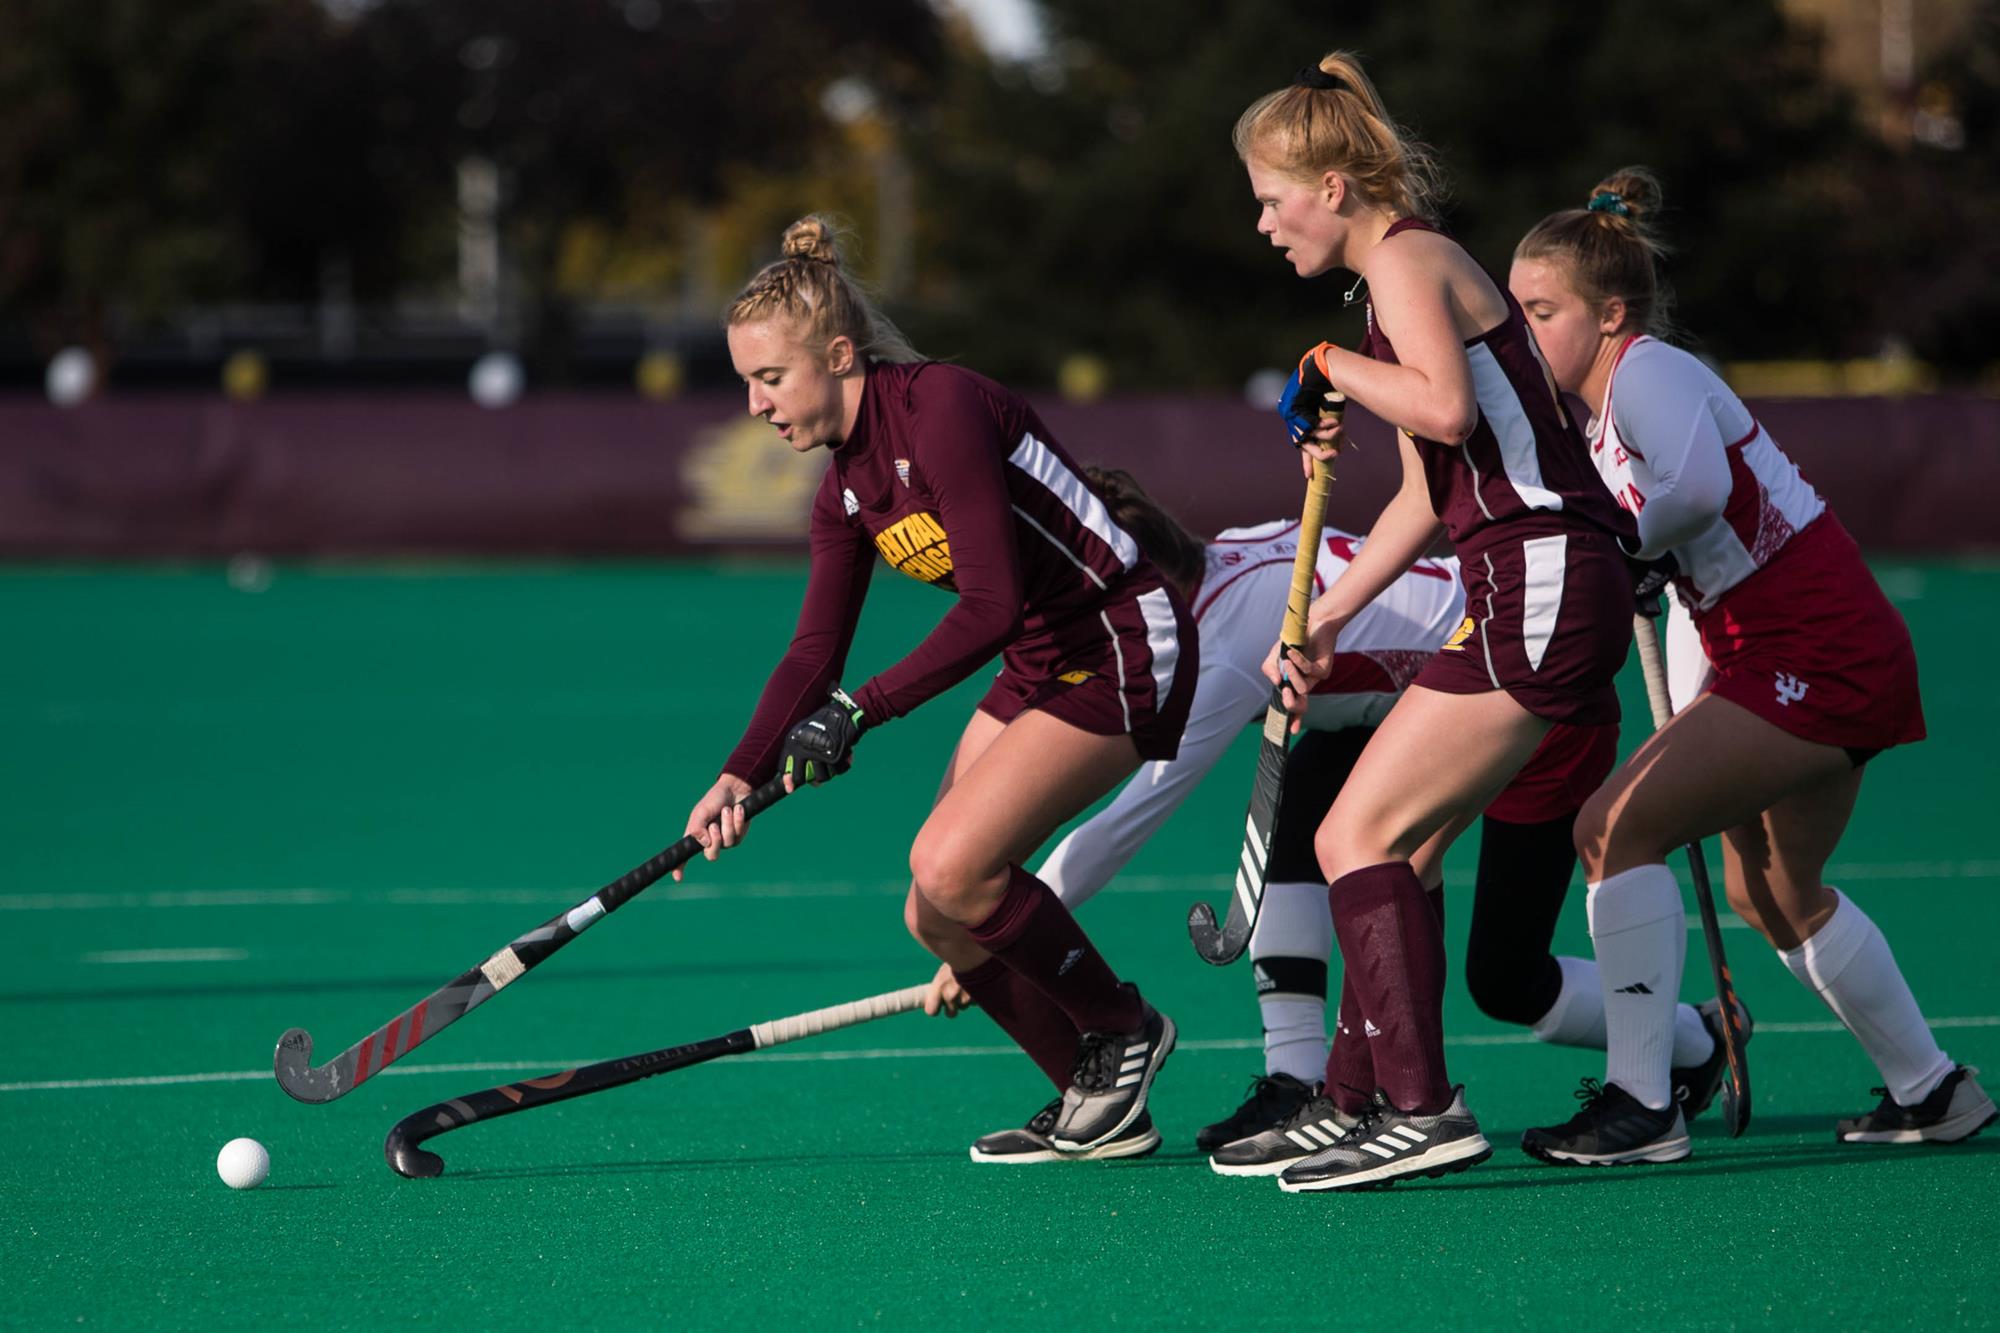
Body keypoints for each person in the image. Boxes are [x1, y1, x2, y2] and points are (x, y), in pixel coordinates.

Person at [678, 216, 1197, 1162]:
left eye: (770, 378)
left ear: (839, 355)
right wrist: (736, 775)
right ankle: (1097, 1100)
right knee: (935, 911)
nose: (754, 403)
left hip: (1123, 640)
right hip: (1043, 660)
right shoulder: (844, 487)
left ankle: (1126, 1028)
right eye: (745, 381)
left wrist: (857, 715)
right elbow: (812, 655)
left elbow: (992, 604)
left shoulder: (942, 405)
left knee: (952, 864)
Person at [1508, 170, 1994, 1162]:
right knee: (1773, 892)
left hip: (1812, 648)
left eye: (1541, 311)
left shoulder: (1649, 372)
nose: (1522, 332)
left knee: (1610, 827)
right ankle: (1934, 1088)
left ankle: (1641, 1105)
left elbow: (1694, 491)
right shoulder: (1596, 415)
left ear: (1608, 314)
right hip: (1787, 648)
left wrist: (1628, 540)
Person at [1228, 52, 1641, 1193]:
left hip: (1543, 575)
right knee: (1393, 841)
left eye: (1271, 197)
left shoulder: (1405, 259)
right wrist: (1319, 622)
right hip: (1527, 582)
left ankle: (1420, 1107)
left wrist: (1329, 365)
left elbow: (1445, 406)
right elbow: (1424, 488)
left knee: (1349, 834)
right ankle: (1358, 1098)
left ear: (1330, 187)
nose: (1263, 224)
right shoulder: (1390, 283)